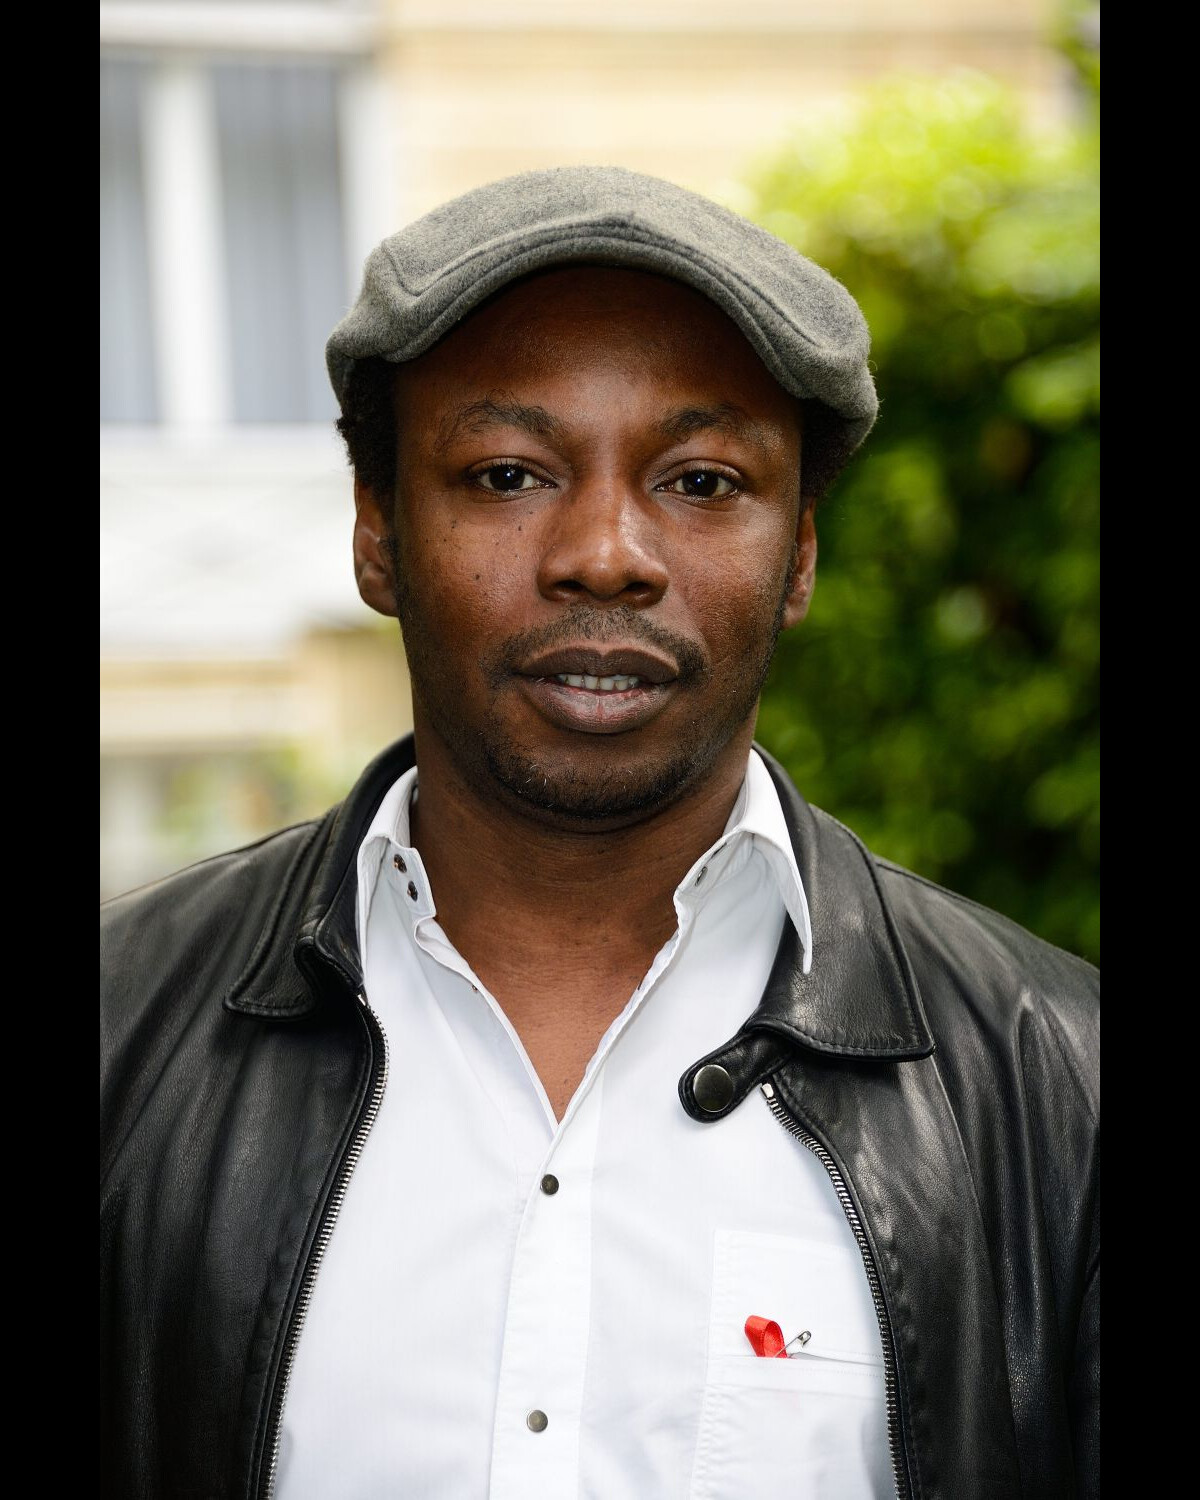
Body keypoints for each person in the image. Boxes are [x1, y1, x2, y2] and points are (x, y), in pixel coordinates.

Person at [101, 166, 1099, 1499]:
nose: (607, 553)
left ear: (800, 555)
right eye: (508, 473)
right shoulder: (122, 1033)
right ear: (378, 531)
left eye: (701, 480)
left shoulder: (1060, 1085)